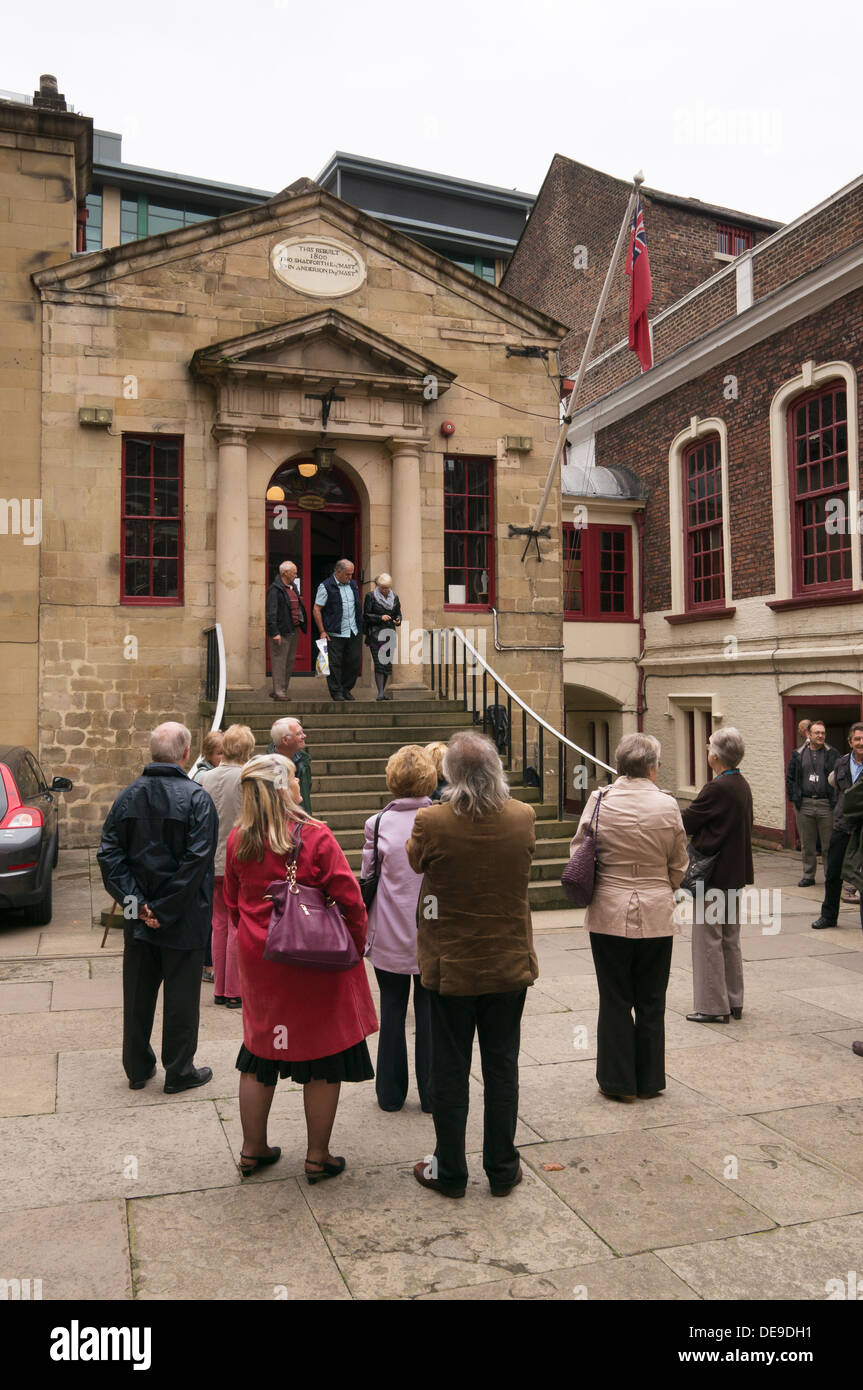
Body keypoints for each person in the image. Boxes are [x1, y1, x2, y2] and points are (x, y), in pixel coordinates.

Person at [223, 754, 378, 1179]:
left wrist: (253, 939)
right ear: (281, 788)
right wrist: (355, 946)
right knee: (323, 1055)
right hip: (314, 959)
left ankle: (252, 1150)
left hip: (261, 958)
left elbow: (232, 904)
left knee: (259, 1053)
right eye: (293, 779)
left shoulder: (239, 839)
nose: (298, 785)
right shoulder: (314, 836)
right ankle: (316, 1156)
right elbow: (351, 900)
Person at [406, 731, 537, 1198]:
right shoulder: (523, 817)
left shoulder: (432, 821)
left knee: (450, 1069)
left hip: (452, 965)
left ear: (451, 775)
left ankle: (451, 1169)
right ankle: (502, 1167)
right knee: (503, 1067)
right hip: (506, 963)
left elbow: (415, 862)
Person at [97, 722, 218, 1093]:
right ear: (184, 754)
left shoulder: (127, 796)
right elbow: (197, 863)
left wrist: (139, 906)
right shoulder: (197, 798)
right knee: (182, 996)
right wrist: (160, 909)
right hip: (182, 915)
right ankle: (178, 1070)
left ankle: (137, 1066)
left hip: (141, 913)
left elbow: (109, 856)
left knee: (137, 992)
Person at [571, 732, 688, 1101]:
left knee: (615, 996)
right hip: (655, 910)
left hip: (608, 909)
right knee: (652, 998)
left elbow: (579, 849)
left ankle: (618, 1082)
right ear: (652, 767)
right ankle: (650, 1080)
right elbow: (679, 861)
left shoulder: (599, 800)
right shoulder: (668, 804)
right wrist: (662, 886)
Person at [362, 745, 436, 1112]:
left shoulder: (377, 824)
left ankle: (389, 1094)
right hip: (432, 933)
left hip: (389, 932)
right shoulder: (443, 819)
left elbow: (368, 877)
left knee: (391, 1010)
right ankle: (432, 1094)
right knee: (430, 1015)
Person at [681, 728, 754, 1024]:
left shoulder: (717, 788)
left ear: (715, 756)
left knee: (708, 940)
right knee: (729, 939)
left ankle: (713, 1006)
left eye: (709, 745)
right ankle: (734, 1000)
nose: (707, 749)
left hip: (714, 875)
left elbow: (686, 820)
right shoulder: (741, 783)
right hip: (734, 874)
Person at [198, 724, 256, 1007]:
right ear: (246, 749)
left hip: (211, 859)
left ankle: (220, 987)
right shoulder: (247, 777)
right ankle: (234, 990)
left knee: (218, 923)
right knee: (236, 924)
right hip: (238, 857)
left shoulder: (206, 778)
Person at [811, 722, 863, 929]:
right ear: (850, 742)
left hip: (862, 830)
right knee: (832, 873)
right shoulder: (841, 763)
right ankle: (829, 916)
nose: (861, 742)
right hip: (842, 827)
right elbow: (838, 793)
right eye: (857, 739)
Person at [785, 719, 838, 886]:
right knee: (807, 844)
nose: (820, 736)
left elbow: (840, 778)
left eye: (823, 733)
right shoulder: (798, 753)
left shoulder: (832, 753)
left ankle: (831, 876)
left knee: (829, 845)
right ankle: (808, 876)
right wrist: (794, 798)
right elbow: (790, 778)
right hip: (804, 804)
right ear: (810, 734)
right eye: (817, 733)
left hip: (826, 805)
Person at [313, 558, 363, 703]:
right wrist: (322, 631)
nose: (350, 577)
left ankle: (346, 689)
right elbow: (316, 609)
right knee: (334, 665)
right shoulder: (326, 586)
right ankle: (336, 692)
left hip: (353, 631)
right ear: (338, 572)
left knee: (354, 662)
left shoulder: (353, 584)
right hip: (334, 632)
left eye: (351, 574)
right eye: (347, 574)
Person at [265, 560, 307, 701]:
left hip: (293, 629)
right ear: (285, 573)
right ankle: (279, 692)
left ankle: (282, 689)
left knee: (289, 662)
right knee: (279, 662)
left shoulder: (293, 587)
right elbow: (271, 612)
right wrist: (275, 632)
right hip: (281, 631)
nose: (296, 574)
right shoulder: (275, 589)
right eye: (294, 572)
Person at [363, 572, 402, 701]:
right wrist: (380, 617)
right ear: (378, 586)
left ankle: (382, 691)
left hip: (389, 633)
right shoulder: (371, 597)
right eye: (382, 588)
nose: (385, 590)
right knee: (379, 663)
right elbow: (366, 615)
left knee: (386, 664)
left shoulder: (394, 598)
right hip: (375, 634)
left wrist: (398, 620)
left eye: (387, 588)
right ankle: (380, 692)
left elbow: (398, 614)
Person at [269, 716, 311, 813]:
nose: (304, 736)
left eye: (302, 732)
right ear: (285, 740)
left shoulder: (304, 761)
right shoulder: (273, 767)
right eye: (298, 734)